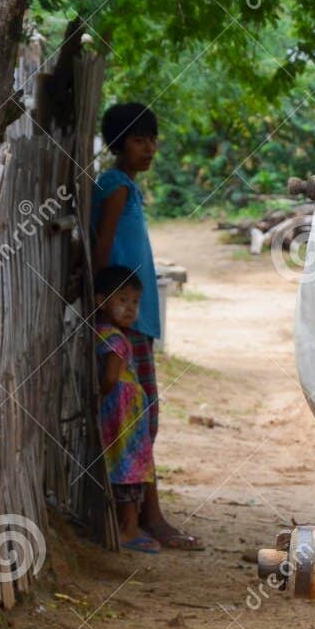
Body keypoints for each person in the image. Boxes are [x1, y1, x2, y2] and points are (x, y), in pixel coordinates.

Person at [91, 102, 202, 550]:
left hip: (136, 317)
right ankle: (144, 519)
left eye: (153, 139)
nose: (149, 148)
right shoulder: (115, 186)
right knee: (140, 418)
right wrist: (102, 307)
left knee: (144, 419)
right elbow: (102, 250)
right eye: (139, 140)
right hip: (123, 318)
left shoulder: (126, 187)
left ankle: (147, 515)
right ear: (118, 144)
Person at [94, 266, 159, 554]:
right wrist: (101, 396)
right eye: (122, 300)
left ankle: (124, 527)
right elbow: (110, 377)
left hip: (121, 412)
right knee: (130, 469)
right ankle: (129, 529)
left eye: (134, 302)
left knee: (122, 468)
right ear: (100, 301)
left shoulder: (103, 332)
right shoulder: (115, 338)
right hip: (124, 414)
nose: (130, 308)